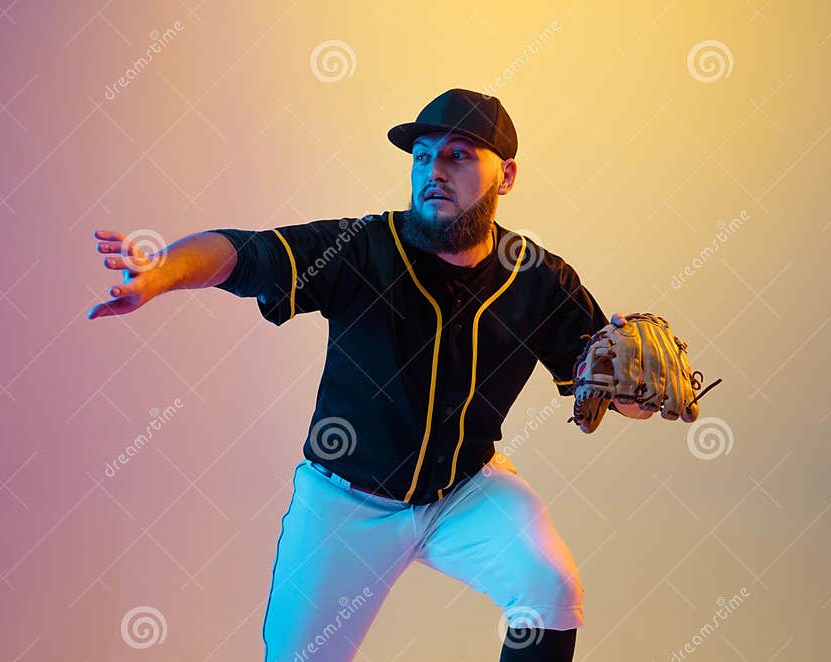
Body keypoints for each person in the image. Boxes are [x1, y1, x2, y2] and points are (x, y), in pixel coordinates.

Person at [87, 88, 650, 661]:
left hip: (463, 491)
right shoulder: (361, 248)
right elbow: (247, 254)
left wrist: (642, 397)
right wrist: (164, 271)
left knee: (550, 589)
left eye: (459, 155)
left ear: (505, 176)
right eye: (424, 155)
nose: (435, 170)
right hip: (344, 504)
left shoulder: (537, 276)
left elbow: (608, 385)